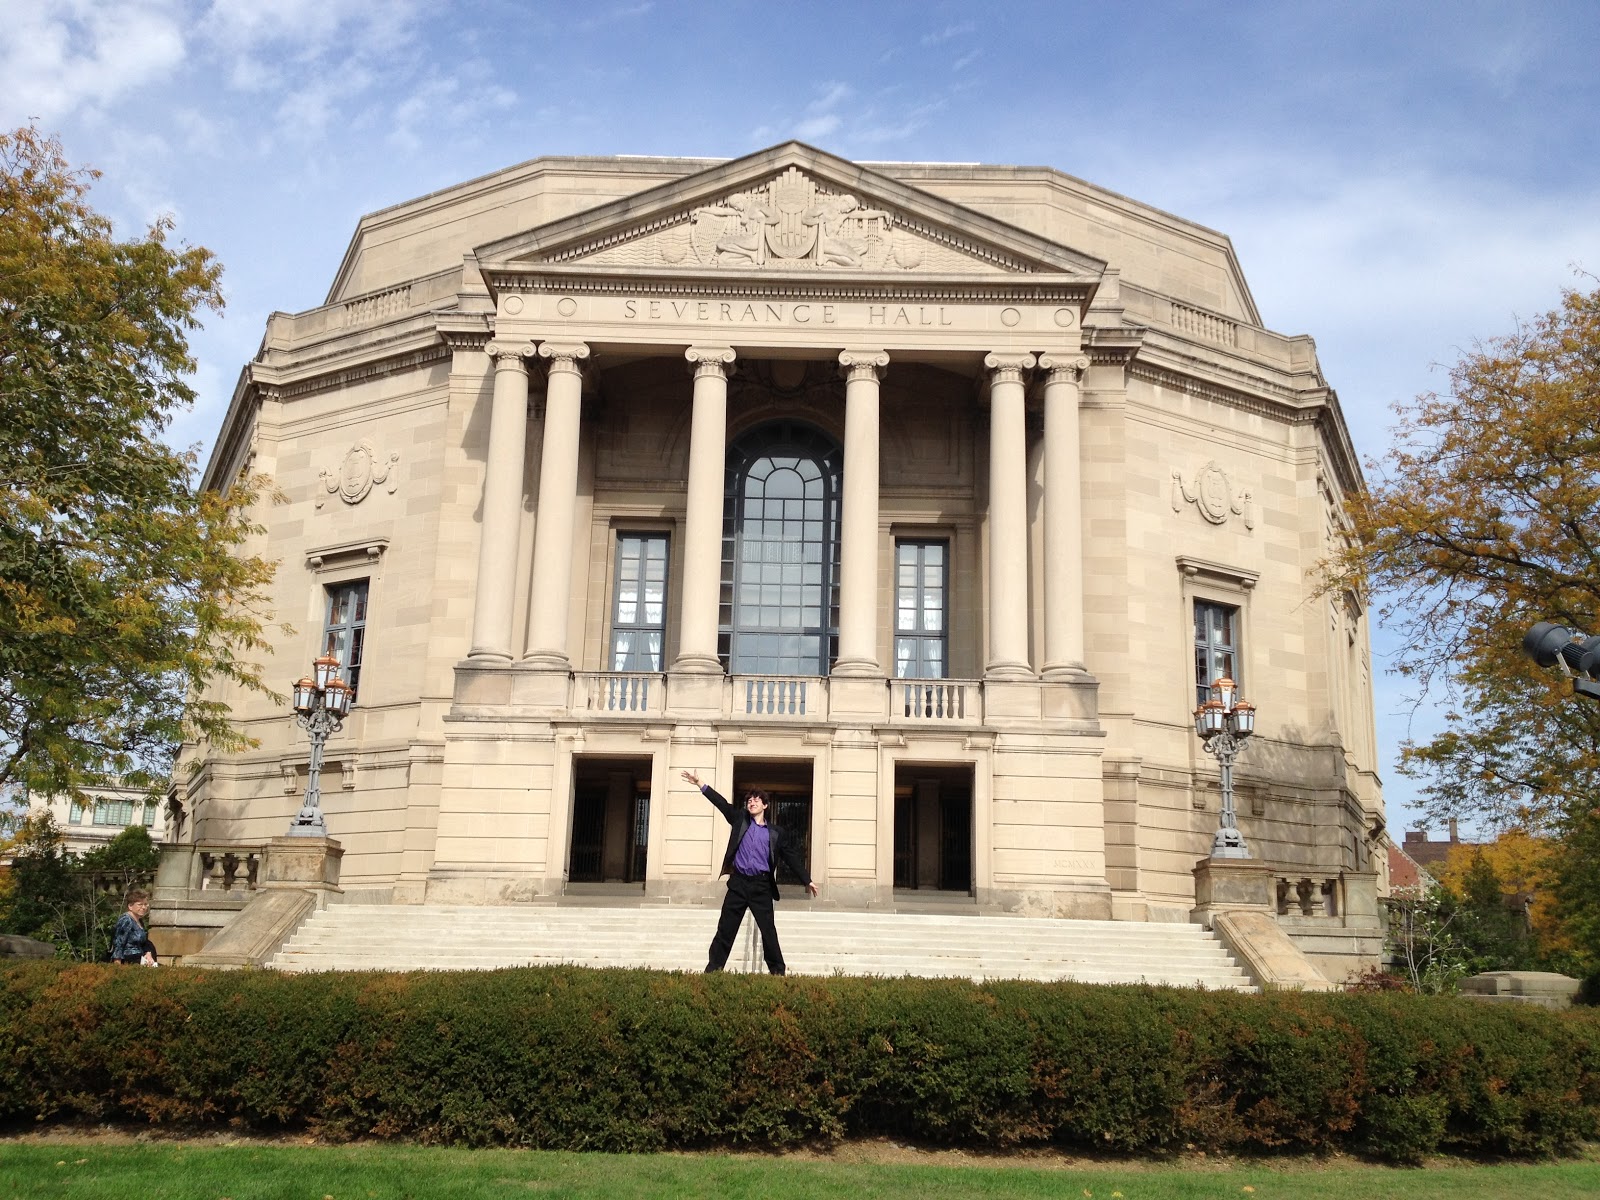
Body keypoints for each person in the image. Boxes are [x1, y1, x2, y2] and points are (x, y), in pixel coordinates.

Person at [682, 769, 818, 975]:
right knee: (726, 929)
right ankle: (713, 971)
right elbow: (721, 804)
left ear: (765, 805)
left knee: (768, 931)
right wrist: (701, 783)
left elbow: (790, 857)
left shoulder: (775, 833)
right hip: (738, 884)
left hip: (761, 886)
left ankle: (778, 972)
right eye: (749, 800)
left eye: (756, 799)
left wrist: (807, 880)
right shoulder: (739, 820)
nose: (751, 802)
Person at [110, 889, 158, 966]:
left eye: (145, 904)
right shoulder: (126, 920)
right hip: (128, 960)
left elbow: (144, 942)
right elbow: (118, 944)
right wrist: (117, 966)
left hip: (141, 958)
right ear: (130, 906)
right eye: (140, 904)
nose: (144, 907)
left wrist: (148, 953)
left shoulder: (139, 920)